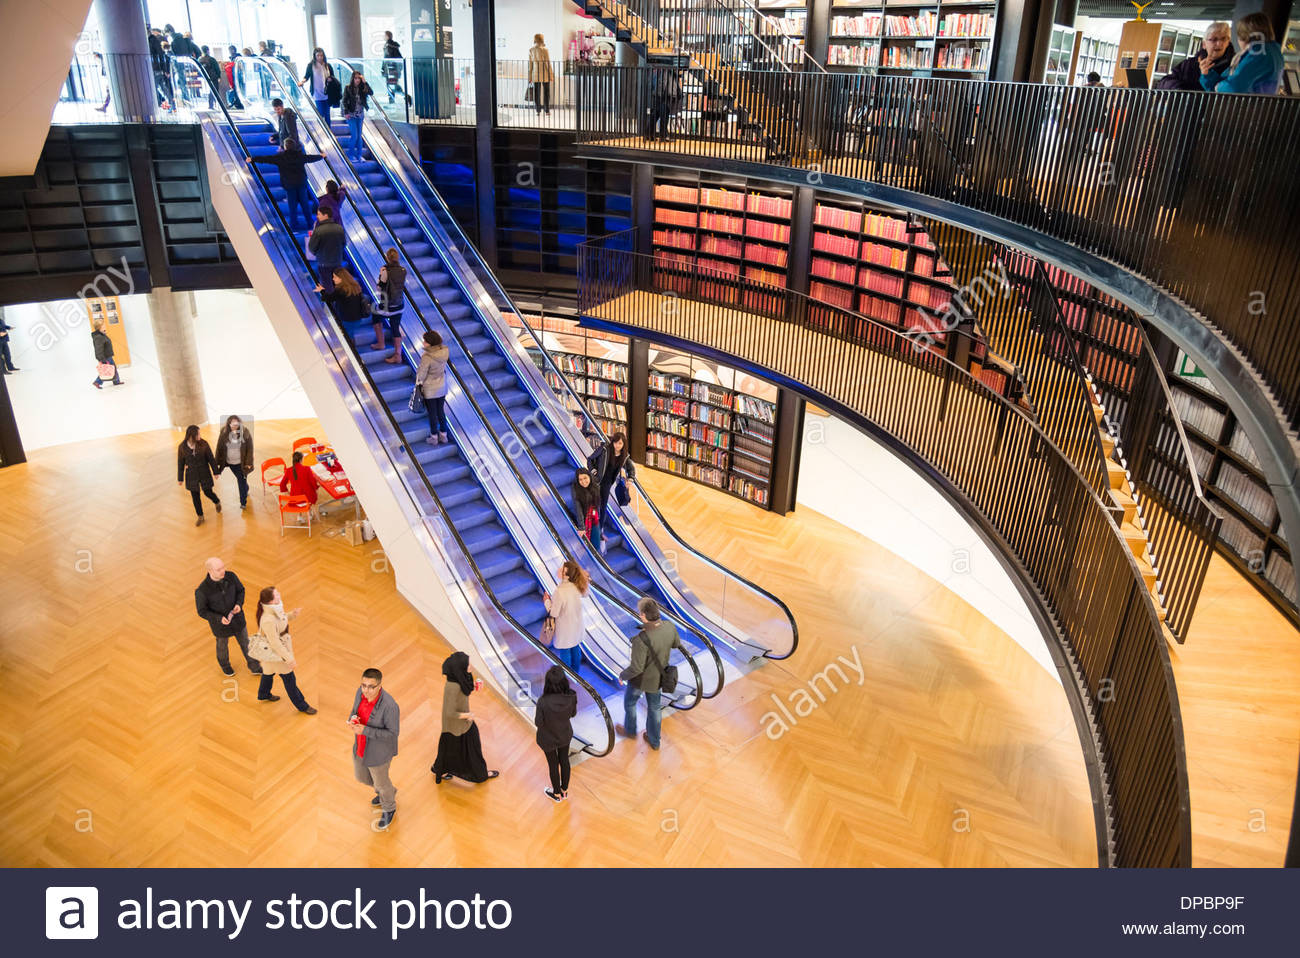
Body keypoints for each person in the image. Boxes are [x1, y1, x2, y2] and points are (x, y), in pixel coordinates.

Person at [618, 597, 685, 750]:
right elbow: (676, 644)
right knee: (654, 708)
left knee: (630, 703)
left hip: (639, 681)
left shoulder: (641, 639)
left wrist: (622, 675)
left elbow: (636, 668)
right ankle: (654, 741)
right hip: (658, 679)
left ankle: (630, 731)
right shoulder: (669, 626)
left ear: (643, 615)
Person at [431, 652, 499, 784]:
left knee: (451, 748)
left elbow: (464, 689)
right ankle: (480, 774)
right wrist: (468, 715)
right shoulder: (452, 688)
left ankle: (439, 768)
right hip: (456, 724)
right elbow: (449, 712)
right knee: (470, 748)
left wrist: (474, 686)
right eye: (468, 664)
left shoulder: (460, 678)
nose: (471, 666)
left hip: (462, 723)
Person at [249, 586, 317, 713]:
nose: (279, 595)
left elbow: (281, 618)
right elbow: (275, 643)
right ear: (270, 601)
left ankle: (263, 694)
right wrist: (289, 659)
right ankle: (302, 706)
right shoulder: (268, 620)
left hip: (272, 655)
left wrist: (292, 615)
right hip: (276, 655)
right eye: (277, 594)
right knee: (290, 680)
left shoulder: (274, 609)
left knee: (268, 673)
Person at [348, 668, 400, 829]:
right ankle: (388, 791)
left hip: (379, 753)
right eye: (363, 685)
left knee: (381, 784)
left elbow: (392, 734)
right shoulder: (360, 693)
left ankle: (389, 807)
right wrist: (352, 719)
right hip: (360, 746)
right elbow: (354, 711)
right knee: (362, 777)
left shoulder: (390, 706)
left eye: (371, 687)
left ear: (380, 685)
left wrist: (365, 730)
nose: (366, 690)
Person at [194, 556, 260, 675]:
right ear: (210, 571)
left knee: (246, 643)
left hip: (237, 619)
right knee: (222, 646)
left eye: (223, 567)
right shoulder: (202, 591)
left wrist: (239, 604)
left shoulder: (231, 576)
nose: (223, 571)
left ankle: (254, 666)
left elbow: (241, 590)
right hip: (220, 625)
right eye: (218, 569)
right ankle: (225, 665)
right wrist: (219, 618)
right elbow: (202, 611)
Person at [247, 137, 323, 232]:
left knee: (292, 206)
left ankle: (294, 226)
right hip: (301, 184)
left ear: (285, 147)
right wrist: (321, 156)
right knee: (305, 204)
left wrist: (253, 159)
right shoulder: (300, 156)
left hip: (289, 185)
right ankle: (310, 223)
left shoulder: (280, 157)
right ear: (294, 146)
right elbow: (311, 158)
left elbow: (267, 159)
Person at [1207, 14, 1283, 94]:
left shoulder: (1257, 53)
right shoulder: (1275, 51)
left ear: (1244, 36)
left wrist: (1219, 87)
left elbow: (1234, 87)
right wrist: (1207, 75)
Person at [534, 665, 577, 802]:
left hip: (548, 739)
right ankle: (565, 790)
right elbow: (573, 714)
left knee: (553, 764)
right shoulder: (571, 696)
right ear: (564, 681)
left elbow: (538, 722)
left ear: (547, 683)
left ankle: (556, 793)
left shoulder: (543, 701)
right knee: (564, 760)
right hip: (564, 734)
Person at [1156, 21, 1233, 91]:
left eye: (1223, 39)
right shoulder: (1189, 64)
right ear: (1204, 44)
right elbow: (1163, 82)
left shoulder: (1234, 66)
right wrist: (1178, 88)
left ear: (1228, 42)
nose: (1219, 44)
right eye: (1214, 39)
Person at [543, 560, 589, 674]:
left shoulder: (560, 591)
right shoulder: (577, 585)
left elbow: (554, 613)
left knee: (565, 652)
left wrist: (546, 601)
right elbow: (585, 594)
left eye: (562, 569)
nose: (559, 569)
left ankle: (568, 676)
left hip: (565, 629)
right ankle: (576, 675)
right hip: (576, 625)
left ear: (566, 576)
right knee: (576, 649)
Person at [587, 430, 634, 535]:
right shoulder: (605, 449)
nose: (617, 445)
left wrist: (630, 479)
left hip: (607, 483)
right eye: (615, 442)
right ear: (612, 442)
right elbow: (590, 459)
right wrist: (593, 471)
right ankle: (589, 526)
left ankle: (599, 529)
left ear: (624, 444)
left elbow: (631, 469)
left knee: (603, 506)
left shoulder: (624, 456)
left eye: (620, 443)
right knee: (593, 504)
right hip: (596, 481)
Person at [178, 424, 221, 525]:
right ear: (191, 436)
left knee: (208, 492)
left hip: (204, 473)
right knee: (195, 497)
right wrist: (180, 478)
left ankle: (216, 501)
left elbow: (211, 458)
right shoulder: (182, 447)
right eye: (198, 434)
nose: (200, 436)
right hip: (191, 476)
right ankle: (200, 516)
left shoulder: (204, 444)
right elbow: (180, 463)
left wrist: (215, 472)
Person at [416, 330, 450, 445]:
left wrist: (418, 380)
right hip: (442, 386)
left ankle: (434, 437)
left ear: (430, 343)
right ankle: (444, 435)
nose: (423, 343)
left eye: (425, 341)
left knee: (432, 413)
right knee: (440, 411)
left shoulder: (427, 357)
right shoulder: (444, 351)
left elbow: (421, 374)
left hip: (430, 389)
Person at [372, 248, 406, 362]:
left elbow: (379, 287)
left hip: (388, 305)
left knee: (375, 315)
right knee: (395, 327)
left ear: (387, 258)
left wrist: (381, 273)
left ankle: (381, 343)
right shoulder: (403, 270)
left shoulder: (386, 271)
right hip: (399, 305)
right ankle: (398, 355)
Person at [214, 414, 254, 510]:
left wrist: (248, 463)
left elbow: (250, 448)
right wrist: (216, 463)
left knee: (241, 481)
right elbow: (219, 448)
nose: (234, 425)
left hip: (241, 464)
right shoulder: (224, 432)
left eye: (236, 423)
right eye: (232, 423)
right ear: (229, 424)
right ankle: (246, 488)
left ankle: (243, 502)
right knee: (241, 480)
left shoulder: (245, 432)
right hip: (230, 463)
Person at [306, 205, 345, 289]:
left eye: (319, 214)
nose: (317, 216)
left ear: (325, 215)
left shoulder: (318, 230)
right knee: (338, 285)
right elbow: (343, 244)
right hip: (337, 262)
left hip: (324, 263)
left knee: (327, 286)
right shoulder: (339, 228)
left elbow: (311, 247)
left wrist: (318, 254)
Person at [341, 69, 373, 162]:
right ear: (353, 79)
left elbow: (371, 93)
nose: (357, 80)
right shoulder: (348, 88)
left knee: (359, 137)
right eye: (356, 78)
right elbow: (344, 100)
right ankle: (350, 155)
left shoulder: (363, 88)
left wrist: (365, 82)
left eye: (359, 78)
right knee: (354, 136)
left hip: (360, 115)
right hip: (351, 115)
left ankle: (359, 155)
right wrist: (346, 112)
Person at [300, 47, 337, 124]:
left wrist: (331, 79)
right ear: (315, 56)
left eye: (321, 55)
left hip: (327, 93)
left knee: (327, 113)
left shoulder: (328, 66)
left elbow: (333, 77)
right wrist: (302, 81)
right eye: (318, 56)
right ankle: (322, 128)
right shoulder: (311, 65)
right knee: (321, 113)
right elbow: (306, 76)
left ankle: (328, 130)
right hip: (317, 93)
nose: (320, 57)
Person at [279, 450, 321, 515]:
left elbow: (282, 484)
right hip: (307, 498)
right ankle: (309, 511)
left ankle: (300, 515)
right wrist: (317, 487)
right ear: (301, 460)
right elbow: (313, 483)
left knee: (299, 495)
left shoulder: (288, 470)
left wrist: (288, 494)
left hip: (294, 500)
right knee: (314, 492)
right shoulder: (307, 469)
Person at [571, 467, 601, 550]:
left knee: (596, 544)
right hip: (584, 518)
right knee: (587, 545)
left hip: (594, 517)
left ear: (589, 477)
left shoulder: (595, 486)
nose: (583, 482)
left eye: (585, 478)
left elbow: (598, 504)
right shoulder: (575, 489)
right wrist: (581, 527)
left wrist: (599, 519)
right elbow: (578, 508)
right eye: (580, 479)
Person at [90, 318, 121, 387]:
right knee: (107, 370)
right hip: (105, 357)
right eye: (103, 325)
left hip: (108, 355)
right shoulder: (99, 337)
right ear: (99, 327)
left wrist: (104, 333)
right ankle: (97, 382)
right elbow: (98, 349)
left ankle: (116, 381)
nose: (105, 326)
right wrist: (101, 359)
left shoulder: (102, 334)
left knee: (112, 368)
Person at [528, 34, 554, 116]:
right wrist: (551, 75)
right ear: (542, 39)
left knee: (537, 93)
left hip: (535, 75)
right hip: (545, 73)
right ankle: (547, 111)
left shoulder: (531, 50)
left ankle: (538, 111)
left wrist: (529, 77)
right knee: (546, 92)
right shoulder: (545, 50)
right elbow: (547, 63)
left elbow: (530, 65)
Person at [382, 31, 409, 105]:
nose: (383, 37)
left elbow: (386, 59)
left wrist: (383, 69)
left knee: (391, 86)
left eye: (384, 35)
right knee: (393, 86)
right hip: (393, 69)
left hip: (390, 70)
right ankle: (404, 97)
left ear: (387, 36)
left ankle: (394, 101)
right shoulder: (392, 45)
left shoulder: (388, 46)